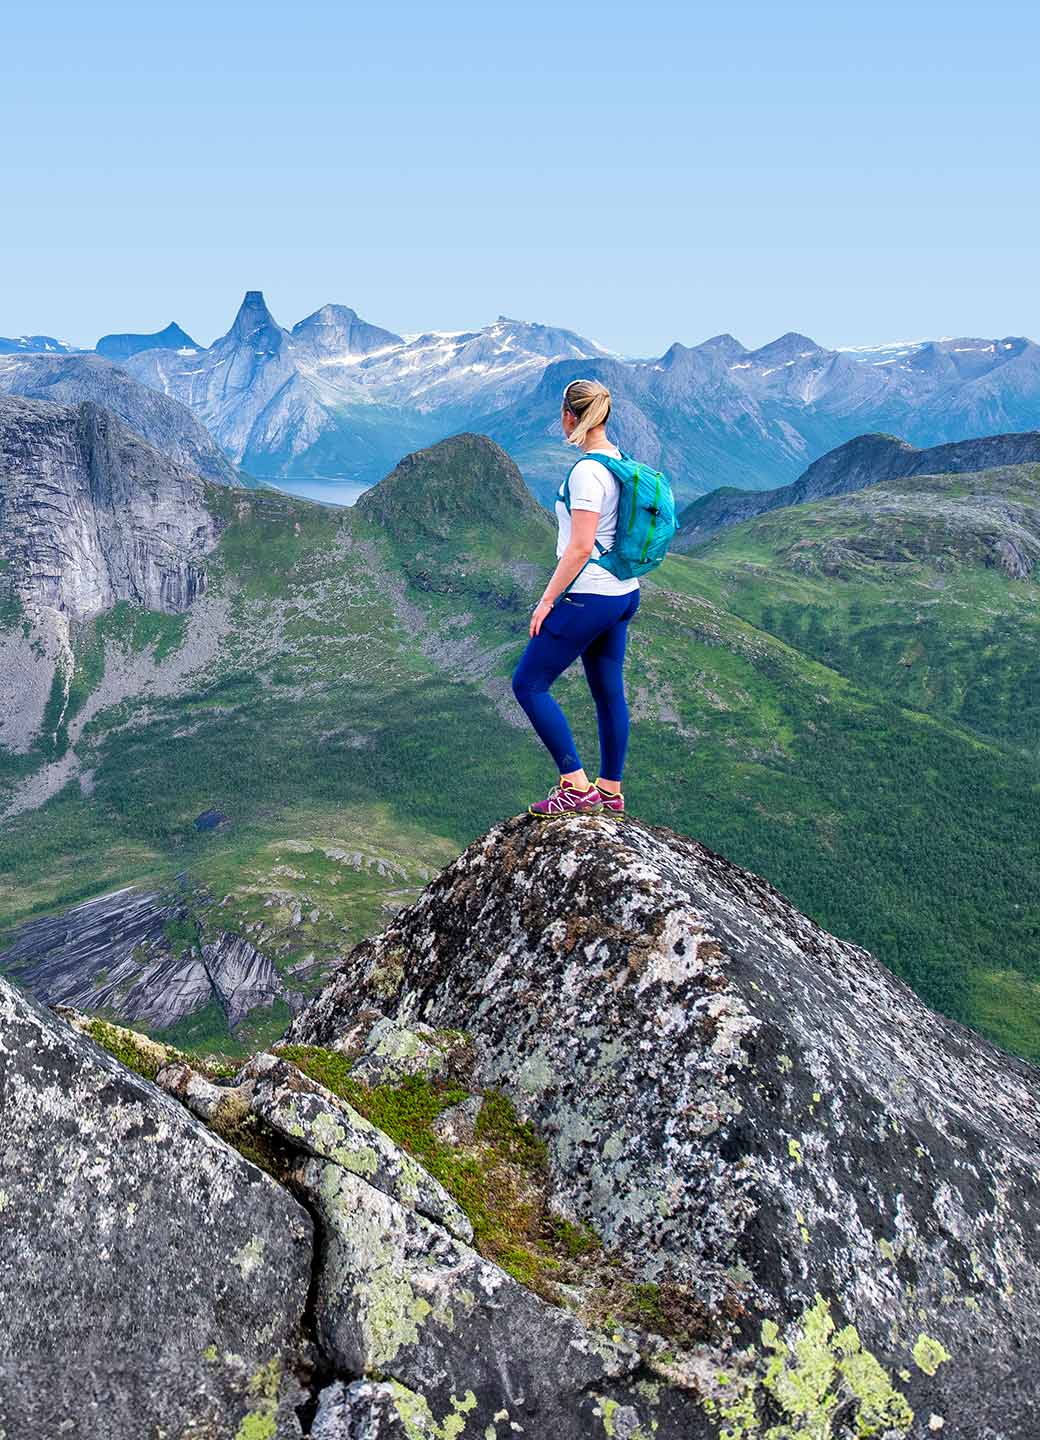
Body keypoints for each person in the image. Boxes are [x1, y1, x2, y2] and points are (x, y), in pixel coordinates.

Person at [512, 378, 640, 818]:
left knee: (528, 684)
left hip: (591, 595)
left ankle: (576, 787)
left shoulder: (587, 471)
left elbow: (581, 546)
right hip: (624, 593)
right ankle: (610, 790)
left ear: (572, 416)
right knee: (608, 693)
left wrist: (547, 600)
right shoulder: (620, 461)